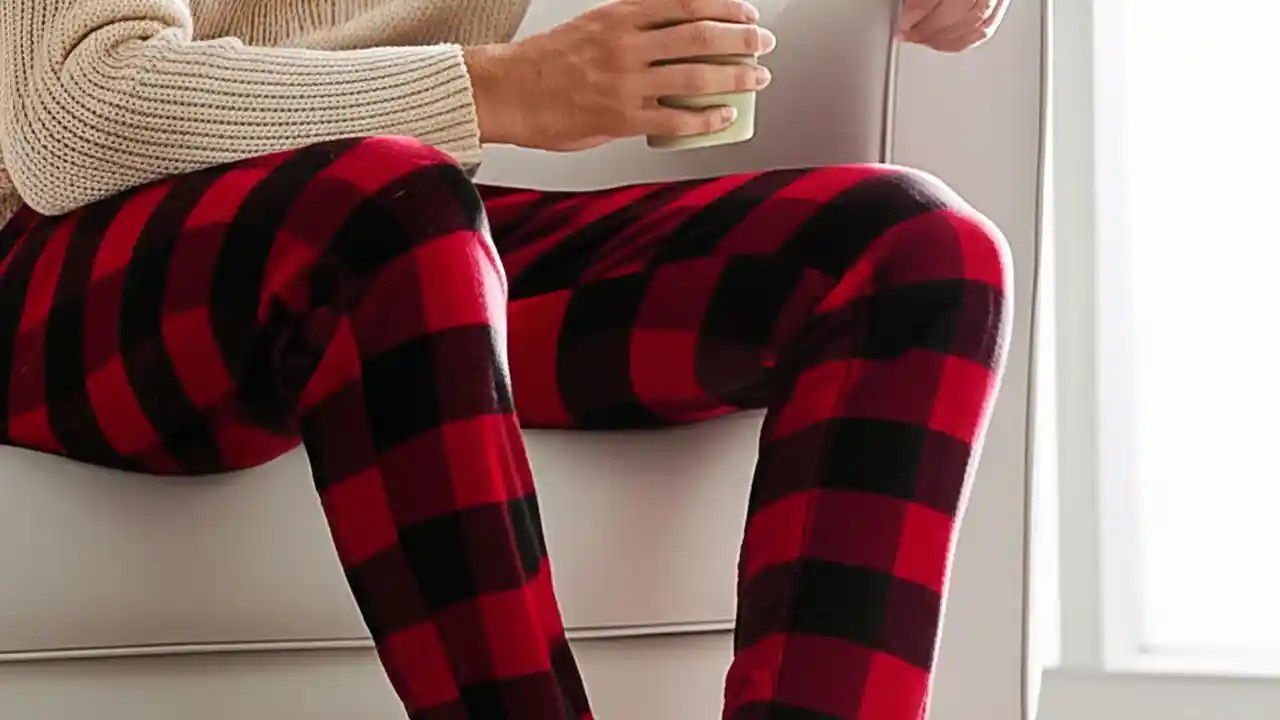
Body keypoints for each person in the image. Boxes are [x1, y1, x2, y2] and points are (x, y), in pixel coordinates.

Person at [0, 0, 1012, 717]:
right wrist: (503, 88)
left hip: (397, 243)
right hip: (60, 267)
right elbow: (77, 114)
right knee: (399, 208)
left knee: (915, 252)